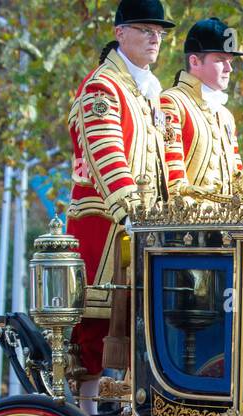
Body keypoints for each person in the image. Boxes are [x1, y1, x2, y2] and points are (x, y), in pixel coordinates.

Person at [67, 0, 175, 389]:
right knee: (98, 327)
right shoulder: (103, 86)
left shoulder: (147, 91)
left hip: (146, 225)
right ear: (120, 33)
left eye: (160, 33)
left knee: (144, 322)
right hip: (108, 226)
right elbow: (106, 154)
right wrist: (133, 211)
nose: (155, 38)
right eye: (146, 30)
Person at [161, 17, 243, 194]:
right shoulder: (171, 102)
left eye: (230, 61)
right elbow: (173, 181)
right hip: (189, 219)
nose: (228, 68)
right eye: (220, 59)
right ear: (194, 61)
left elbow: (239, 180)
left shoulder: (225, 115)